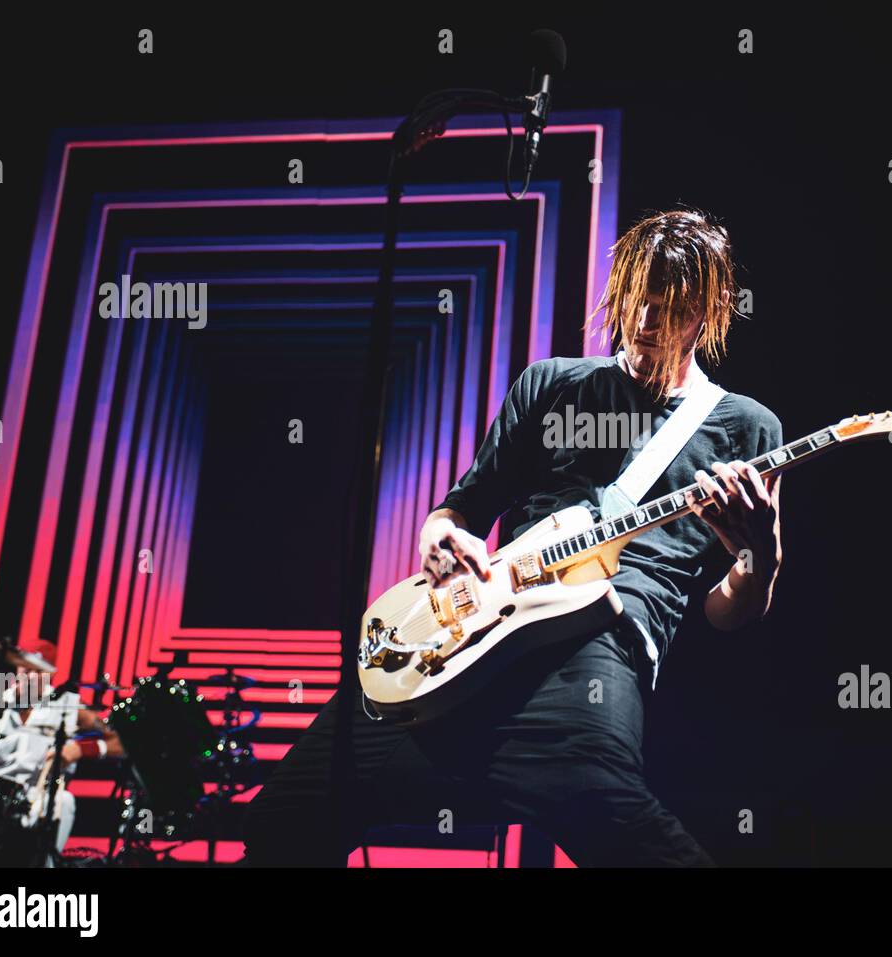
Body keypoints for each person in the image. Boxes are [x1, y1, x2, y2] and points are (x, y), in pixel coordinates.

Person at [243, 208, 783, 866]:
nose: (645, 324)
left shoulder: (744, 427)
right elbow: (459, 510)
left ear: (710, 307)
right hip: (478, 634)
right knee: (283, 819)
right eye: (637, 301)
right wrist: (438, 537)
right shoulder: (551, 383)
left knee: (625, 831)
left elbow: (729, 613)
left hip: (593, 649)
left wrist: (760, 556)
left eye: (669, 307)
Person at [0, 639, 124, 860]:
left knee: (64, 801)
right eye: (23, 667)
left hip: (36, 799)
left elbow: (120, 742)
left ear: (49, 676)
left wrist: (81, 749)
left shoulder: (66, 706)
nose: (27, 675)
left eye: (36, 671)